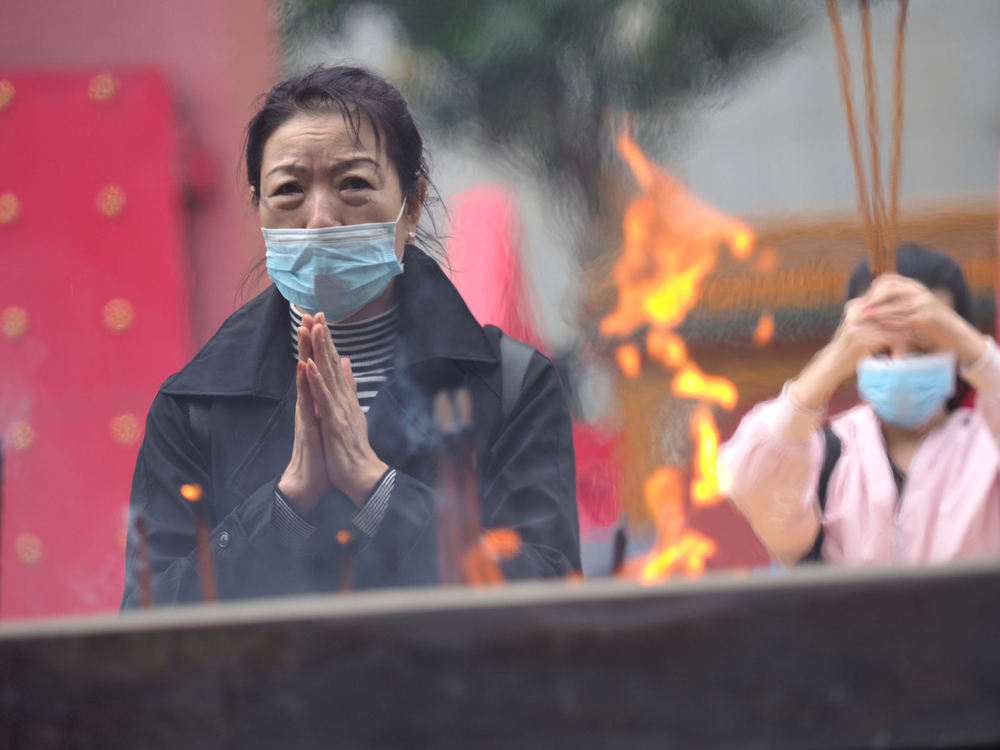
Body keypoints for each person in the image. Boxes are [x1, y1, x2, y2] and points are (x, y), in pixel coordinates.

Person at [121, 66, 580, 606]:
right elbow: (148, 621)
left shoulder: (507, 385)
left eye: (354, 185)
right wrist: (283, 510)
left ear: (411, 207)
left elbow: (551, 600)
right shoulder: (195, 406)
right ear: (258, 210)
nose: (319, 219)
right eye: (289, 190)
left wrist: (378, 490)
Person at [720, 245, 1000, 567]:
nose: (901, 364)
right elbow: (744, 475)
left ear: (957, 351)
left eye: (923, 348)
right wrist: (834, 357)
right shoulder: (824, 457)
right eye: (880, 350)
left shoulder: (987, 450)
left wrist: (969, 343)